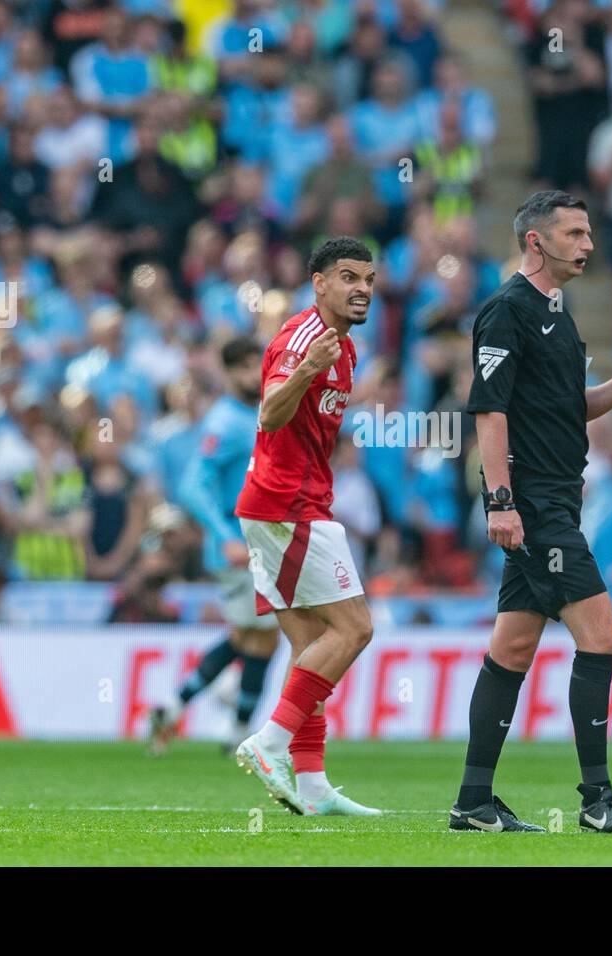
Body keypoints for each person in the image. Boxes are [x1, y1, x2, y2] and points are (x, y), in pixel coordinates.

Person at [450, 190, 612, 834]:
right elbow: (490, 409)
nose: (587, 244)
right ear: (536, 242)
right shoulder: (507, 311)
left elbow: (572, 410)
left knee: (511, 649)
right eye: (573, 233)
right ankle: (597, 800)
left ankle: (473, 802)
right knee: (602, 638)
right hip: (536, 505)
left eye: (589, 232)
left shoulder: (558, 317)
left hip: (557, 498)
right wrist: (501, 500)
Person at [232, 237, 380, 817]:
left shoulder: (345, 349)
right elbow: (268, 413)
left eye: (367, 279)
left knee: (307, 646)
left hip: (288, 505)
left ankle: (313, 782)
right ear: (318, 283)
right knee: (354, 630)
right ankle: (269, 741)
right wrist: (309, 369)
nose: (361, 288)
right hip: (286, 507)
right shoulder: (303, 341)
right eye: (348, 277)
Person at [149, 337, 280, 755]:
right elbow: (191, 486)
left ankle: (176, 707)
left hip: (255, 536)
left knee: (251, 635)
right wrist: (225, 536)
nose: (252, 375)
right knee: (262, 636)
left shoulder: (251, 415)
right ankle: (234, 729)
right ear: (228, 372)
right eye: (243, 368)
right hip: (238, 541)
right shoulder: (225, 422)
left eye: (255, 366)